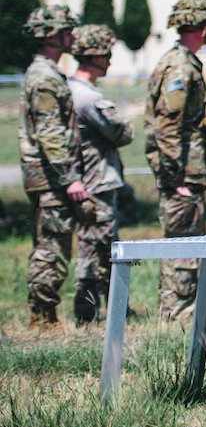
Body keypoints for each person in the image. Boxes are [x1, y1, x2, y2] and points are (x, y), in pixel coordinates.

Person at [146, 0, 206, 321]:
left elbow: (185, 123)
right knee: (183, 248)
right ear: (202, 26)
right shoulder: (180, 68)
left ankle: (184, 320)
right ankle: (177, 320)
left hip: (188, 174)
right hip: (182, 178)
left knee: (189, 245)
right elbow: (167, 127)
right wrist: (175, 182)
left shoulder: (185, 63)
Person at [19, 5, 85, 328]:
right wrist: (69, 178)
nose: (73, 36)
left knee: (54, 244)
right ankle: (42, 319)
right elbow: (49, 133)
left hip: (50, 177)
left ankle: (45, 315)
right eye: (68, 31)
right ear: (52, 35)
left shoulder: (48, 72)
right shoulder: (44, 77)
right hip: (50, 179)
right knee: (51, 248)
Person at [68, 24, 134, 324]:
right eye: (106, 55)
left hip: (88, 182)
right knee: (98, 248)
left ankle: (108, 310)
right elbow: (121, 132)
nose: (109, 61)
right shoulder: (88, 98)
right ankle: (88, 312)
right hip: (97, 183)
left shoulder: (70, 91)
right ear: (93, 56)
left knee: (99, 245)